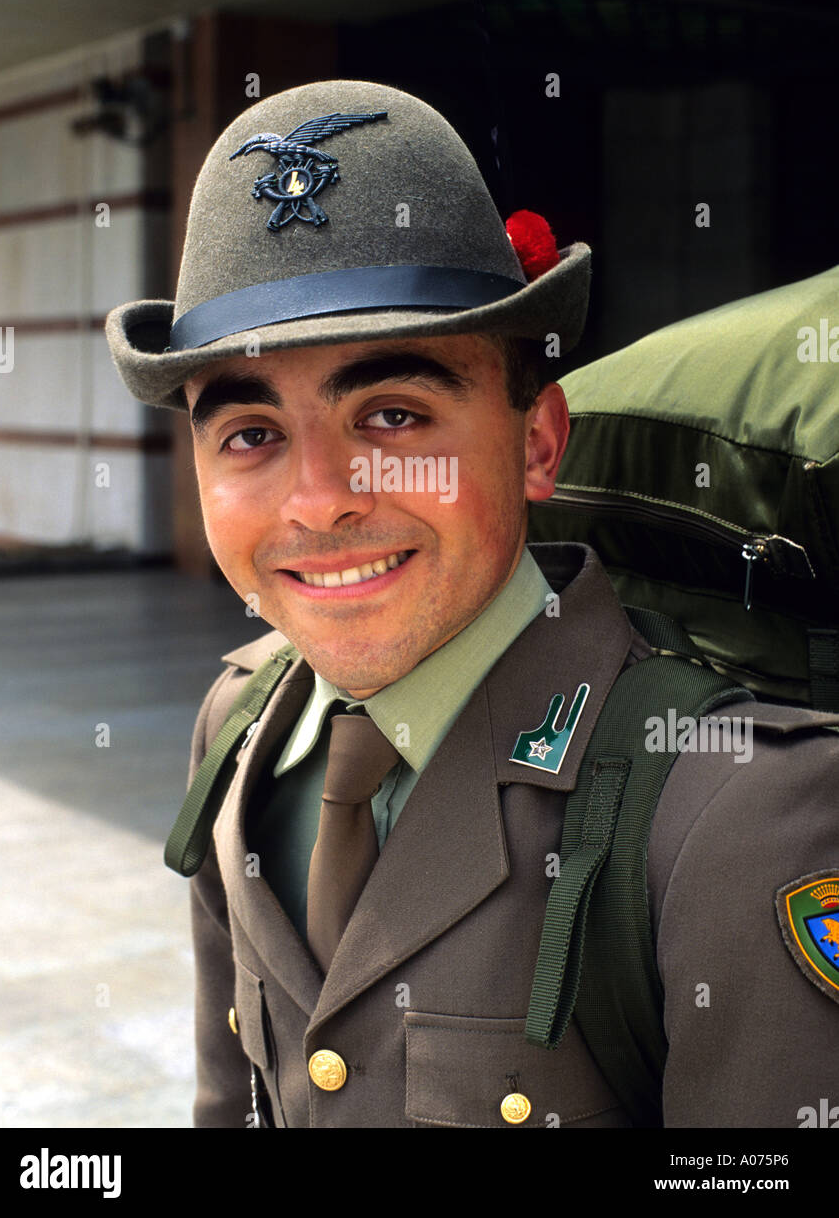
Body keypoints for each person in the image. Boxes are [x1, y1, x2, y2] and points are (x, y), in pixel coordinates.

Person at [106, 79, 839, 1129]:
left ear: (536, 440)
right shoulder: (239, 728)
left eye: (392, 413)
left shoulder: (735, 819)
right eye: (251, 434)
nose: (318, 500)